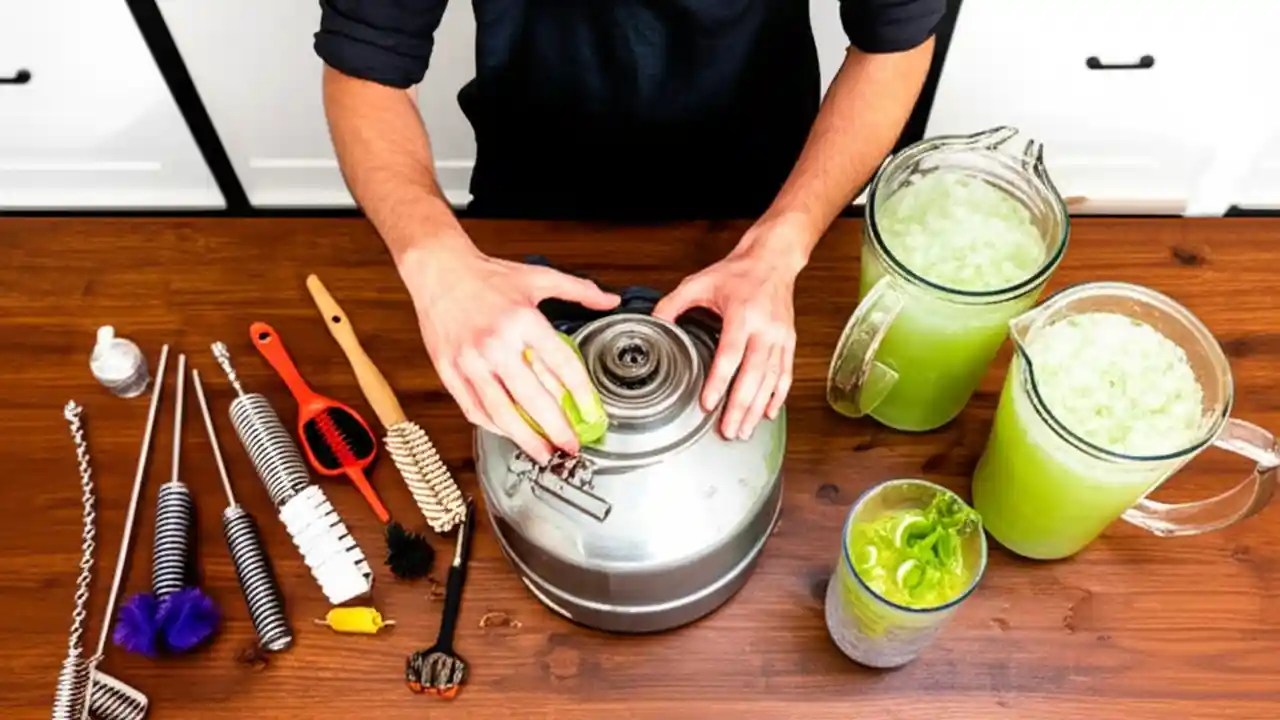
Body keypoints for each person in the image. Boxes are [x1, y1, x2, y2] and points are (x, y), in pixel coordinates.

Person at [314, 0, 943, 465]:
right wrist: (438, 265)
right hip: (529, 207)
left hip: (764, 215)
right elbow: (367, 69)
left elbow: (896, 40)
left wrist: (785, 241)